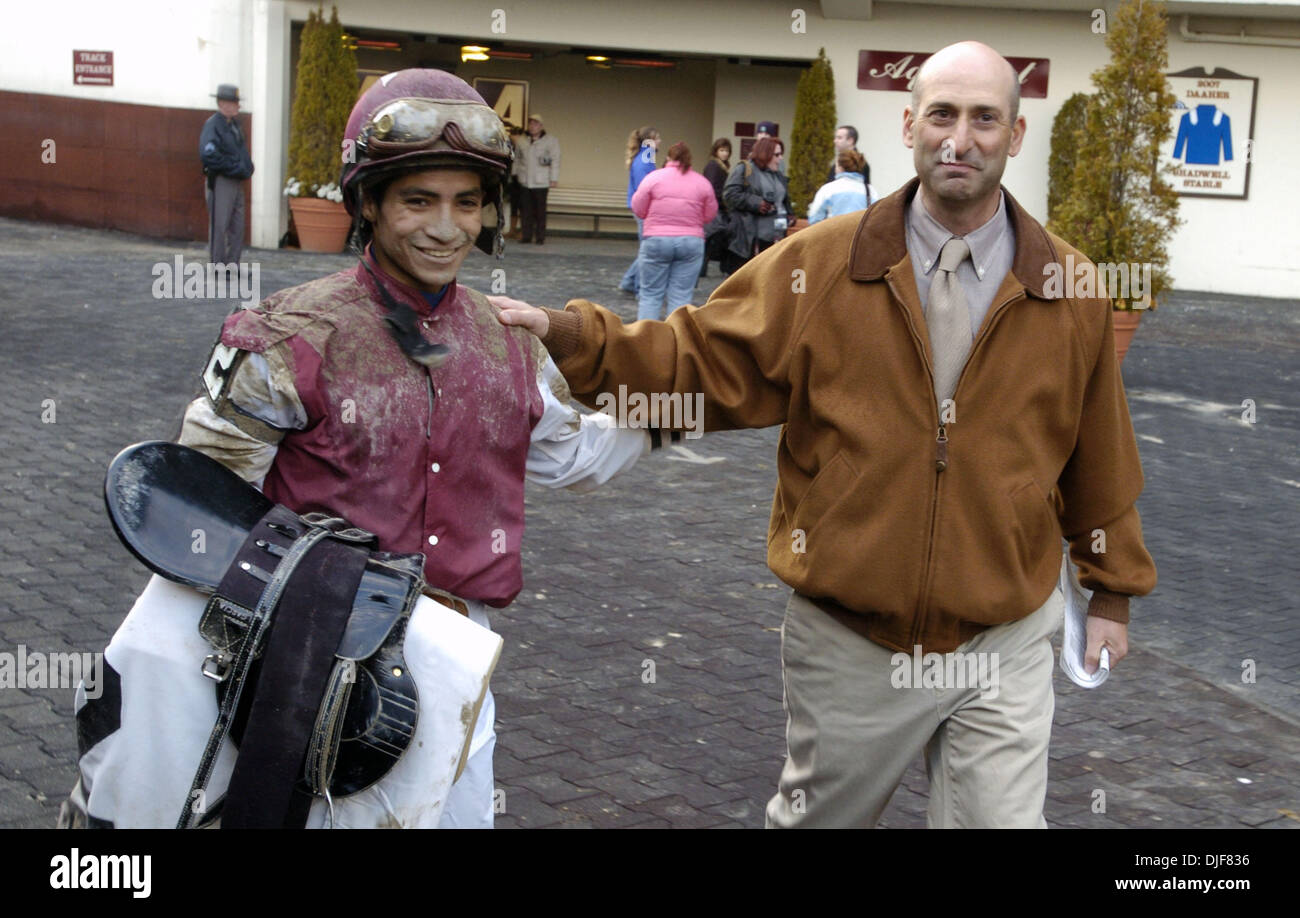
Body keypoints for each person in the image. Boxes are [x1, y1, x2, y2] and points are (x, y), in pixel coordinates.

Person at [494, 40, 1157, 828]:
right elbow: (705, 359)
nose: (961, 137)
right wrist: (576, 338)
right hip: (854, 641)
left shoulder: (1069, 289)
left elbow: (1099, 451)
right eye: (942, 114)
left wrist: (1111, 590)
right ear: (910, 125)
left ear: (1014, 137)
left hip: (1003, 638)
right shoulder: (820, 265)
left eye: (986, 118)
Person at [175, 70, 655, 827]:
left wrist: (674, 407)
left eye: (467, 203)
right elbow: (203, 502)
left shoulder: (509, 340)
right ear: (368, 204)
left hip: (459, 657)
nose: (446, 228)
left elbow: (568, 456)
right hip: (300, 660)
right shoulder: (287, 334)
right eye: (418, 201)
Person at [630, 141, 717, 321]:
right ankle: (677, 341)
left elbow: (638, 207)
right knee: (681, 296)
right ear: (689, 160)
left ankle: (645, 341)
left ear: (669, 158)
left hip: (656, 240)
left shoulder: (654, 178)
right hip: (691, 242)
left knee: (650, 294)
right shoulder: (702, 183)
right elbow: (710, 214)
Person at [199, 84, 254, 265]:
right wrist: (234, 167)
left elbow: (241, 152)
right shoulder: (213, 125)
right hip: (221, 181)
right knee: (220, 225)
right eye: (230, 103)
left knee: (237, 226)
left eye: (236, 103)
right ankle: (218, 264)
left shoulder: (235, 126)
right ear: (220, 104)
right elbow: (208, 155)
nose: (235, 106)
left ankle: (232, 264)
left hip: (236, 181)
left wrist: (246, 167)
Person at [721, 136, 791, 268]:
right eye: (776, 155)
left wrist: (789, 215)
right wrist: (757, 203)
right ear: (765, 154)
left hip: (776, 237)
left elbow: (783, 200)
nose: (780, 158)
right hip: (751, 238)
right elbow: (729, 194)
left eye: (781, 154)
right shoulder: (746, 169)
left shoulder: (778, 174)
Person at [619, 126, 660, 294]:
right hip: (644, 209)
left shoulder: (644, 156)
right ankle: (636, 285)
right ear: (650, 140)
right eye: (657, 138)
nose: (660, 141)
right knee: (646, 249)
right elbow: (645, 187)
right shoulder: (646, 158)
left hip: (639, 207)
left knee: (645, 248)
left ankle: (629, 281)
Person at [518, 113, 560, 244]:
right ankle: (526, 236)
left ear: (541, 126)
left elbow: (555, 160)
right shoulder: (522, 140)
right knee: (526, 211)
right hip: (525, 181)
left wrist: (554, 178)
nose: (532, 126)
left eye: (535, 124)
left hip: (541, 182)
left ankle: (540, 237)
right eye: (530, 123)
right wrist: (515, 175)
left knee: (540, 212)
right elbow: (518, 159)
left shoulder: (551, 141)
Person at [807, 149, 879, 224]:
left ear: (840, 168)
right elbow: (875, 218)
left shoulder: (828, 189)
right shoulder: (871, 191)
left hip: (833, 234)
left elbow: (814, 218)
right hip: (859, 235)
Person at [700, 138, 733, 277]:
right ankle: (703, 268)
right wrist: (724, 203)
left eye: (727, 151)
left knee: (710, 240)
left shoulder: (721, 166)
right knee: (711, 239)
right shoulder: (714, 166)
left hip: (716, 207)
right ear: (716, 151)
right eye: (722, 150)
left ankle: (703, 268)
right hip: (716, 208)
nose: (725, 153)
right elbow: (713, 188)